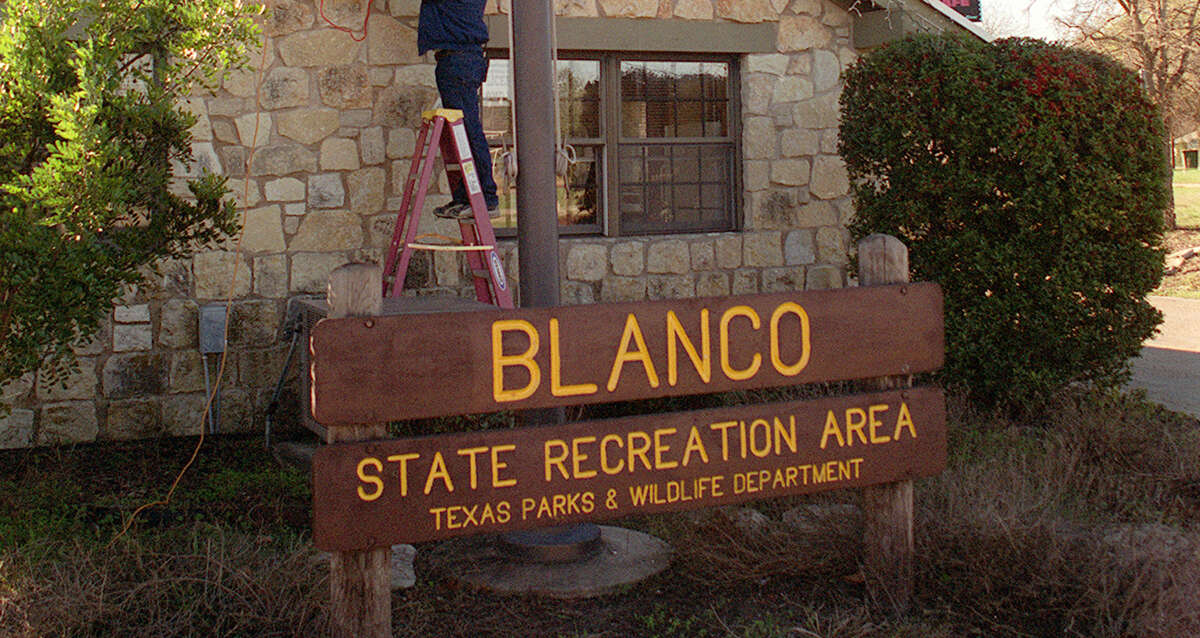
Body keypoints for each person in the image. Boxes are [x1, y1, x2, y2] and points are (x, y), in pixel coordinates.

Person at [418, 0, 500, 219]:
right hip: (459, 59)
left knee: (468, 131)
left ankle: (486, 197)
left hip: (458, 60)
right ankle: (467, 196)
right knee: (463, 133)